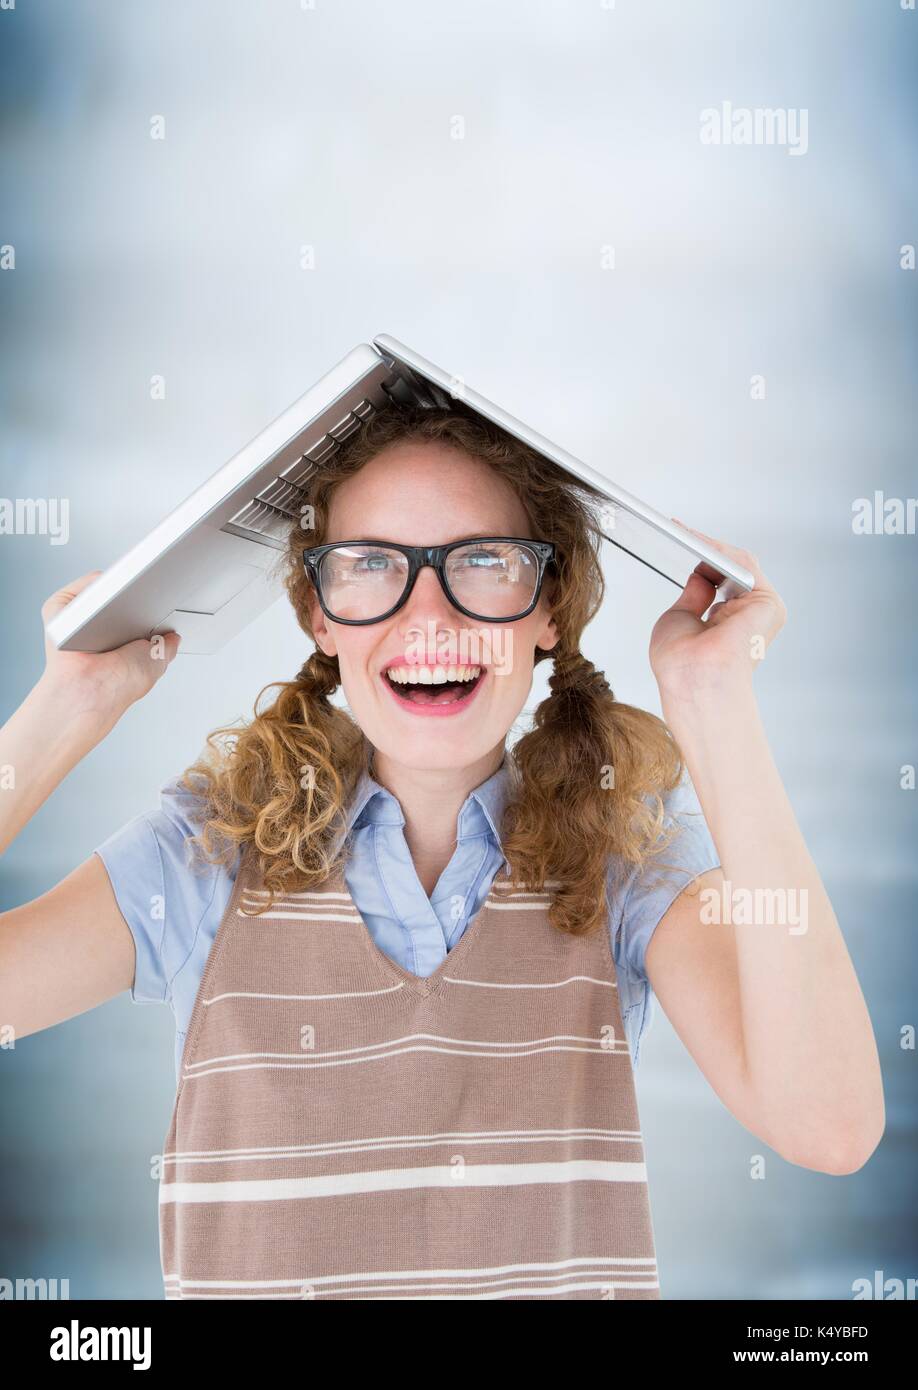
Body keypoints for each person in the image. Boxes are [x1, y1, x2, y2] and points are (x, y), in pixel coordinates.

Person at [0, 401, 884, 1301]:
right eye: (372, 564)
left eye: (484, 563)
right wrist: (64, 710)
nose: (428, 617)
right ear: (318, 613)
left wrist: (713, 701)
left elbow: (829, 1126)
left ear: (549, 608)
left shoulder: (624, 844)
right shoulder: (210, 845)